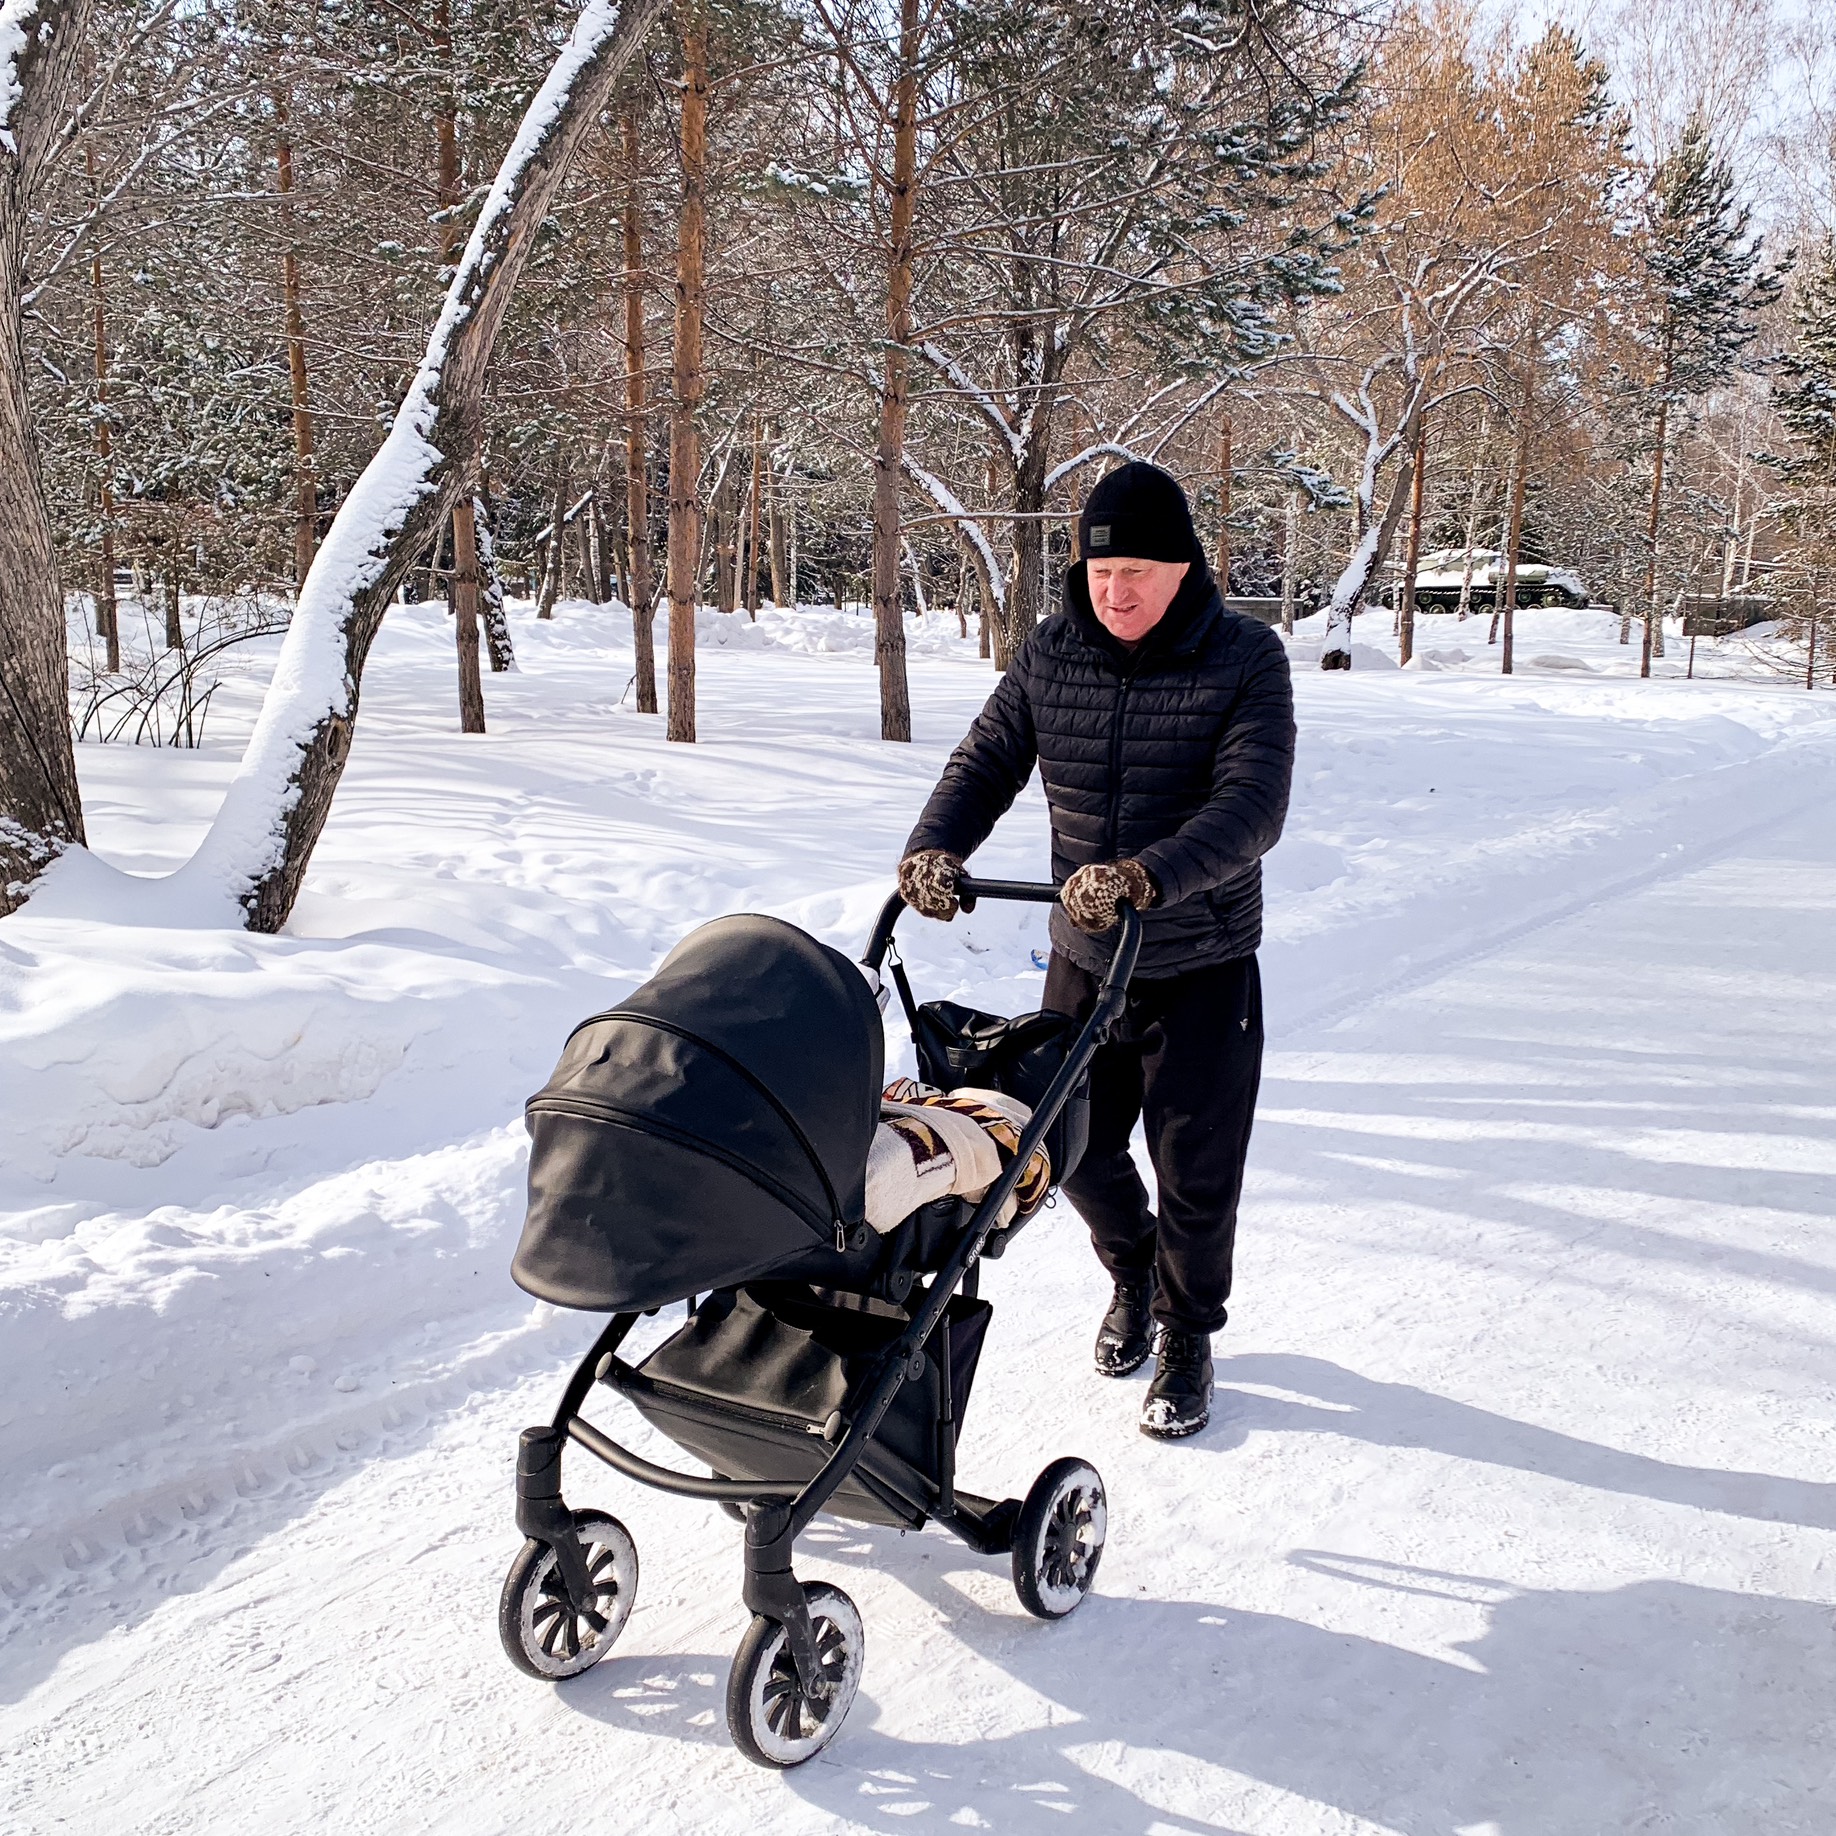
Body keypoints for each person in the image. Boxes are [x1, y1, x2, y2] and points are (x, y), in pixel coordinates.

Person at [897, 461, 1294, 1438]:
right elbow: (987, 757)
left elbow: (1252, 807)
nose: (1116, 591)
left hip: (1200, 962)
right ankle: (1134, 1271)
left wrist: (1143, 875)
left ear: (1183, 567)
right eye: (1101, 570)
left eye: (1139, 573)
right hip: (1084, 955)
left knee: (1196, 1169)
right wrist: (935, 845)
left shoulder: (1243, 658)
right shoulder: (1051, 652)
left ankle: (1189, 1334)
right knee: (1059, 1148)